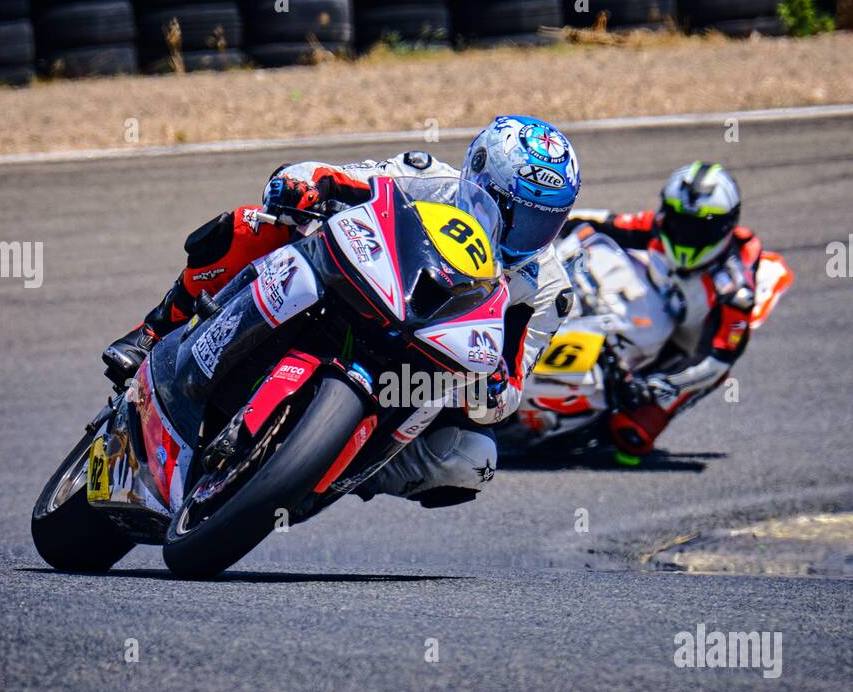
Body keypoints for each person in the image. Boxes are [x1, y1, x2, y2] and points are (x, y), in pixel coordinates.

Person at [102, 115, 581, 506]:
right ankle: (152, 330)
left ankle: (329, 466)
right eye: (513, 213)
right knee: (255, 224)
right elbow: (337, 176)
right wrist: (305, 183)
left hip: (425, 370)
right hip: (361, 289)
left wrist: (490, 385)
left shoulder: (548, 288)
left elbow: (510, 387)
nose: (526, 233)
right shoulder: (427, 177)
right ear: (479, 179)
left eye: (544, 222)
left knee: (473, 458)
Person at [565, 161, 760, 456]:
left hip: (687, 351)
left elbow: (717, 363)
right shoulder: (659, 227)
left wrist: (657, 385)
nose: (684, 235)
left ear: (724, 227)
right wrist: (553, 224)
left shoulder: (734, 291)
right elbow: (598, 222)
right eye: (678, 223)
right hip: (660, 304)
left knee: (630, 438)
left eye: (698, 229)